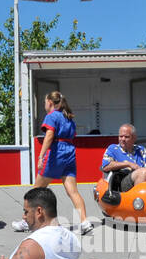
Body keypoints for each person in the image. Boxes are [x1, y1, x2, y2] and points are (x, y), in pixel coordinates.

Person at [18, 91, 92, 234]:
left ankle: (27, 222)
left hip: (56, 154)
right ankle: (84, 222)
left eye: (45, 102)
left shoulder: (51, 116)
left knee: (35, 191)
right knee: (73, 192)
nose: (44, 105)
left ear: (50, 103)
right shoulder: (68, 118)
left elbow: (50, 135)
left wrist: (41, 156)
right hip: (69, 153)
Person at [0, 187, 81, 259]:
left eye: (26, 212)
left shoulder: (33, 244)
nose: (24, 217)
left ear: (39, 211)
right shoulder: (73, 239)